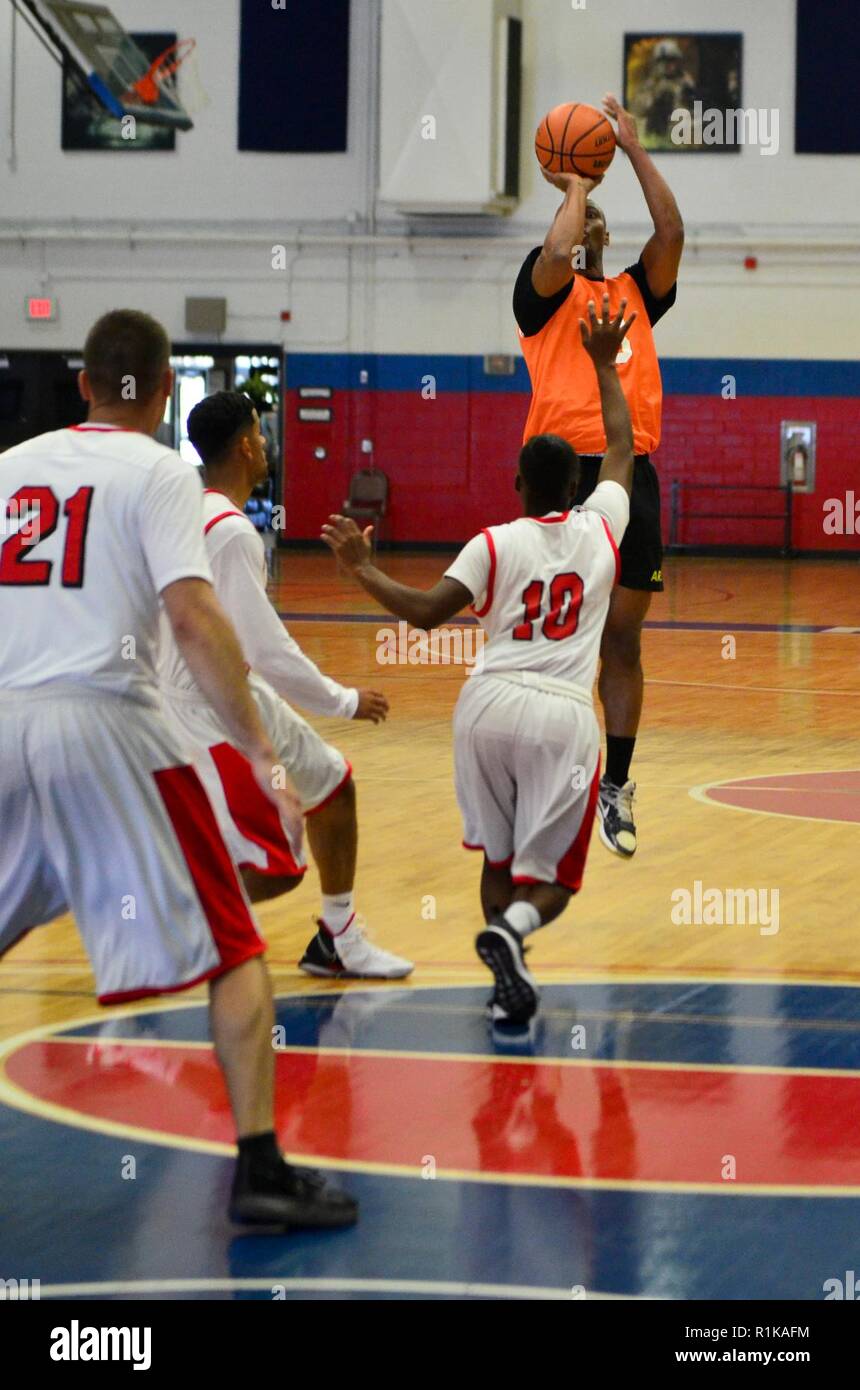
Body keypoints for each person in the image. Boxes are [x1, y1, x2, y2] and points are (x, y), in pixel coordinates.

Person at [0, 310, 356, 1230]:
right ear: (163, 393)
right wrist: (264, 750)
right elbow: (196, 620)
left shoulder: (8, 469)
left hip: (6, 725)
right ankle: (260, 1169)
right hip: (107, 721)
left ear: (84, 384)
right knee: (236, 945)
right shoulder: (159, 470)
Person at [322, 298, 634, 1025]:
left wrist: (362, 571)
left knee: (498, 861)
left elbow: (428, 613)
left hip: (487, 704)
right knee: (552, 878)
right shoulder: (600, 530)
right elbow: (620, 446)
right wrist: (601, 362)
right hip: (561, 715)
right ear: (574, 489)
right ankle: (512, 935)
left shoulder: (492, 541)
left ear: (519, 485)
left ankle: (507, 987)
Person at [158, 390, 413, 980]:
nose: (269, 441)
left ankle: (338, 938)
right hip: (208, 707)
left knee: (332, 783)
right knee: (276, 863)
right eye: (262, 432)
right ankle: (169, 924)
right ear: (246, 445)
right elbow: (267, 650)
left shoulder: (183, 513)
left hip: (222, 687)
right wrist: (345, 699)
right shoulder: (231, 534)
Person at [514, 92, 684, 858]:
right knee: (551, 641)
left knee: (622, 641)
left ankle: (616, 788)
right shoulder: (542, 295)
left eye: (596, 228)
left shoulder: (634, 295)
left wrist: (628, 145)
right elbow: (554, 257)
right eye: (581, 225)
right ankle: (544, 779)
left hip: (628, 473)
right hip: (557, 473)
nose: (588, 234)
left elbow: (672, 231)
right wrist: (573, 179)